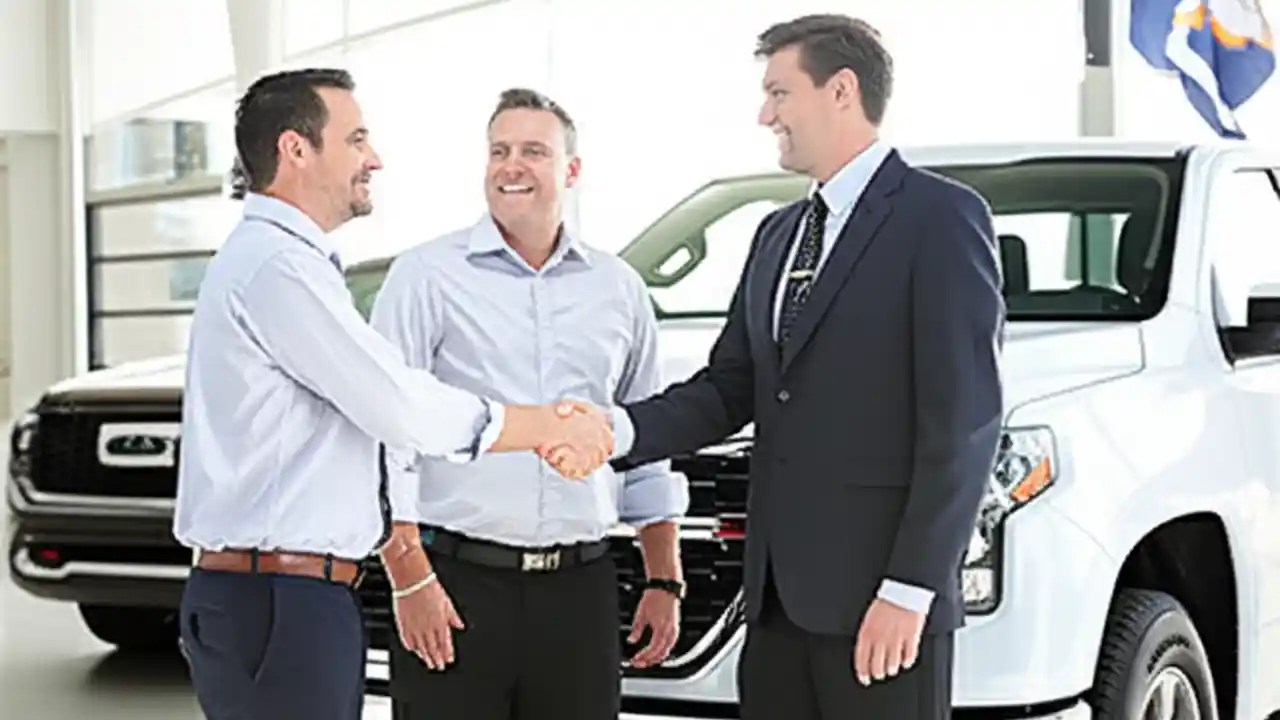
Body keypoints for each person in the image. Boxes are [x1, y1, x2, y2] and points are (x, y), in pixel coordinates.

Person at [551, 14, 1004, 719]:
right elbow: (732, 387)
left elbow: (965, 424)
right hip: (771, 606)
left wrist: (912, 588)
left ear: (841, 90)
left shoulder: (940, 219)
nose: (766, 114)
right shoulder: (778, 233)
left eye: (779, 93)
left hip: (880, 607)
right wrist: (617, 430)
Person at [172, 69, 613, 720]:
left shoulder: (290, 263)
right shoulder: (276, 268)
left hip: (289, 594)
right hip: (277, 599)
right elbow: (397, 404)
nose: (372, 159)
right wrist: (544, 427)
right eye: (355, 140)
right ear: (297, 149)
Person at [369, 87, 688, 720]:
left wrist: (663, 579)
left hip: (582, 592)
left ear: (571, 171)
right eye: (499, 150)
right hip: (455, 585)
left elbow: (646, 442)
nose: (511, 165)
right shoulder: (426, 276)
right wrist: (409, 578)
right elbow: (384, 439)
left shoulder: (618, 289)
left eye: (533, 151)